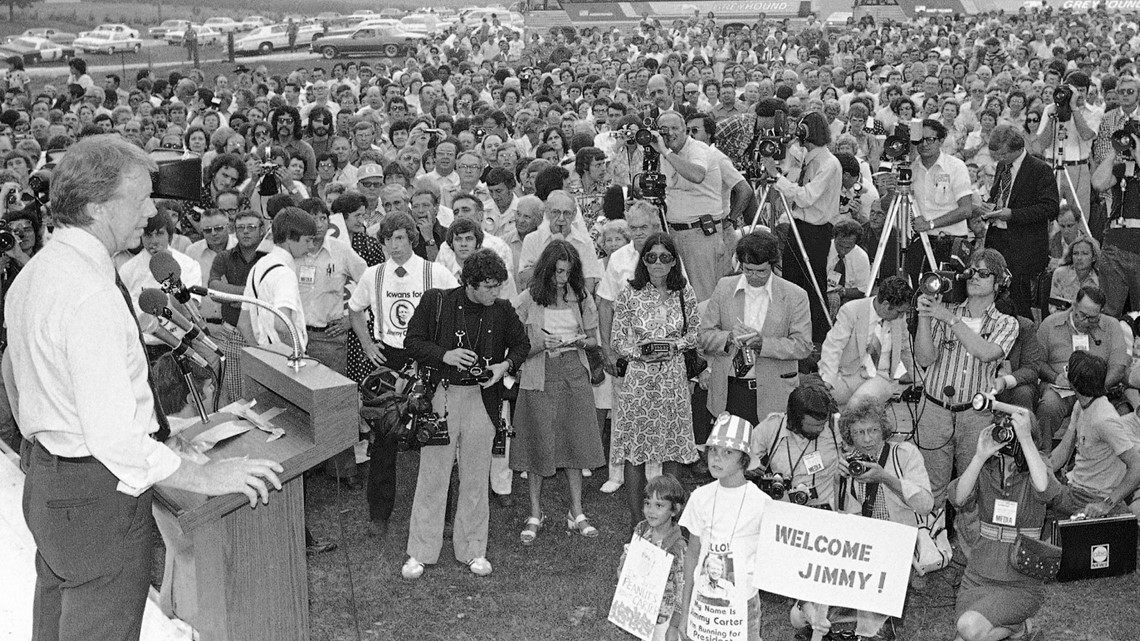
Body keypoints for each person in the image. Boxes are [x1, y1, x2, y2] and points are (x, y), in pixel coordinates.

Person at [6, 134, 282, 641]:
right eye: (140, 199)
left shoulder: (39, 272)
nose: (152, 211)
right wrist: (207, 476)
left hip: (52, 482)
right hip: (97, 496)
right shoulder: (90, 293)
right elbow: (114, 439)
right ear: (96, 207)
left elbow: (23, 380)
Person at [401, 248, 529, 580]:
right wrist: (445, 355)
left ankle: (473, 550)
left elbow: (522, 345)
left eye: (498, 285)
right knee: (433, 476)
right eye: (488, 286)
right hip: (441, 397)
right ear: (469, 283)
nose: (495, 292)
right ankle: (420, 552)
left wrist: (504, 366)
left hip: (482, 400)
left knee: (475, 478)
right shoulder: (437, 301)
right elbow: (411, 342)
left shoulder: (502, 309)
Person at [347, 211, 457, 538]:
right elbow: (354, 309)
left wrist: (442, 348)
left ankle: (442, 516)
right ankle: (379, 514)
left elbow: (459, 306)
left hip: (427, 358)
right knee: (384, 439)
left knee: (434, 438)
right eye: (387, 239)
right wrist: (367, 344)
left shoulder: (434, 271)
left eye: (399, 238)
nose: (393, 246)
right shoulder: (373, 275)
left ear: (411, 239)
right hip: (390, 359)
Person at [793, 400, 933, 641]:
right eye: (859, 433)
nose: (867, 439)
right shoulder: (851, 463)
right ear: (850, 435)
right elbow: (843, 520)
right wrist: (839, 482)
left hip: (897, 545)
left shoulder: (904, 454)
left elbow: (925, 505)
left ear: (883, 429)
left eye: (873, 430)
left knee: (871, 613)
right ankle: (836, 623)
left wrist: (885, 478)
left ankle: (867, 629)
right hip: (862, 548)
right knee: (798, 616)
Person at [914, 248, 1020, 555]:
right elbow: (925, 358)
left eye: (984, 273)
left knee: (971, 489)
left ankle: (973, 556)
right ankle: (929, 551)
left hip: (975, 416)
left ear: (999, 283)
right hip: (934, 408)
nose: (974, 277)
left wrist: (948, 318)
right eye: (971, 271)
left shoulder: (1006, 323)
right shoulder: (943, 310)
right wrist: (925, 316)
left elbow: (986, 353)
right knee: (931, 487)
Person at [511, 240, 605, 544]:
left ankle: (576, 511)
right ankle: (535, 513)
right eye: (557, 271)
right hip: (539, 377)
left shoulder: (581, 297)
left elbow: (593, 340)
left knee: (575, 442)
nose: (562, 278)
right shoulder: (527, 299)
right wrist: (540, 345)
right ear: (546, 270)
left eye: (567, 271)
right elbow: (514, 346)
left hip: (574, 374)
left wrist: (581, 341)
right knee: (537, 442)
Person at [611, 232, 701, 529]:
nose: (658, 263)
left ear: (674, 261)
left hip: (673, 380)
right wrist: (641, 353)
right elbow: (616, 340)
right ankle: (638, 523)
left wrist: (675, 346)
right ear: (644, 261)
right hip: (640, 381)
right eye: (651, 257)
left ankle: (667, 522)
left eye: (665, 257)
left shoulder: (684, 292)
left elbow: (695, 333)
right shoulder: (630, 293)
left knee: (672, 450)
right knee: (635, 453)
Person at [950, 405, 1058, 641]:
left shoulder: (1038, 465)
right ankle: (1018, 630)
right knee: (966, 635)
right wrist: (980, 456)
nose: (1006, 437)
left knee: (968, 629)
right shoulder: (987, 467)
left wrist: (1025, 440)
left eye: (1012, 432)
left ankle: (1017, 627)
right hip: (979, 574)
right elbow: (958, 498)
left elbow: (1045, 489)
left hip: (1020, 579)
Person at [699, 230, 812, 426]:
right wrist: (728, 337)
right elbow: (704, 336)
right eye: (747, 270)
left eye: (761, 271)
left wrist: (763, 344)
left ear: (772, 265)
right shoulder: (724, 287)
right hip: (730, 389)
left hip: (774, 393)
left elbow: (803, 346)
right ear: (740, 264)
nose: (753, 276)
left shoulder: (795, 295)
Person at [596, 200, 668, 494]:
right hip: (624, 345)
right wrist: (607, 349)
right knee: (623, 411)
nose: (638, 233)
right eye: (633, 227)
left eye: (644, 227)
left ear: (656, 226)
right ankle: (617, 472)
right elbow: (605, 304)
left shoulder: (669, 255)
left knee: (655, 410)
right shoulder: (618, 258)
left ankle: (653, 474)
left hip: (659, 346)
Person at [677, 413, 769, 641]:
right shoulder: (700, 497)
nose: (717, 458)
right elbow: (692, 554)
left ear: (743, 460)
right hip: (703, 603)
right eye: (713, 451)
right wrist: (685, 609)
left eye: (728, 452)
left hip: (743, 603)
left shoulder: (761, 503)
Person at [760, 111, 842, 343]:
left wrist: (776, 176)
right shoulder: (808, 157)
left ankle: (818, 337)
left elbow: (806, 197)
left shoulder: (828, 163)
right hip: (798, 226)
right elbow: (791, 168)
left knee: (812, 284)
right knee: (791, 280)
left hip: (816, 231)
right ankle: (792, 331)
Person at [1048, 351, 1140, 519]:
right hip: (1075, 490)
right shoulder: (1080, 405)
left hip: (1096, 498)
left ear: (1073, 382)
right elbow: (1062, 452)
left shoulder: (1104, 419)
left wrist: (1107, 504)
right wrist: (1039, 468)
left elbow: (1137, 466)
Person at [1035, 286, 1130, 444]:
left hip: (1100, 390)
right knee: (1049, 406)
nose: (1085, 321)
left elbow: (1118, 367)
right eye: (1082, 315)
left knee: (1123, 413)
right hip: (1062, 389)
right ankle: (1041, 451)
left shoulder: (1112, 326)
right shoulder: (1050, 324)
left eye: (1092, 318)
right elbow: (1037, 362)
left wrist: (1098, 389)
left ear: (1101, 312)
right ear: (1074, 305)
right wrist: (1054, 377)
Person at [982, 125, 1060, 319]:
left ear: (1018, 149)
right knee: (997, 294)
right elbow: (999, 195)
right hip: (997, 238)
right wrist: (989, 207)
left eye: (1003, 154)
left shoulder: (1039, 169)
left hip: (1024, 246)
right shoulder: (1002, 166)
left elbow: (1050, 208)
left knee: (1019, 299)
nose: (1000, 159)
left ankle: (1025, 332)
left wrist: (1014, 215)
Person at [650, 110, 724, 302]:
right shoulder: (663, 152)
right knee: (678, 294)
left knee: (702, 295)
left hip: (699, 233)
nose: (670, 133)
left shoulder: (697, 149)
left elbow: (697, 175)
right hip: (674, 232)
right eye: (664, 129)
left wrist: (665, 152)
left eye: (675, 128)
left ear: (685, 130)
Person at [820, 276, 915, 407]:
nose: (901, 316)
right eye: (899, 312)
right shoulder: (851, 310)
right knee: (818, 400)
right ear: (886, 305)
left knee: (857, 405)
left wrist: (920, 380)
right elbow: (833, 346)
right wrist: (828, 380)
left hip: (880, 377)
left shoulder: (899, 319)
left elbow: (907, 349)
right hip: (847, 375)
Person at [748, 377, 842, 509]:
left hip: (826, 508)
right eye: (813, 425)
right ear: (795, 420)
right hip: (784, 508)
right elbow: (741, 457)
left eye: (823, 423)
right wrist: (748, 466)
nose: (820, 429)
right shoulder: (772, 427)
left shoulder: (835, 426)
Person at [616, 473, 688, 641]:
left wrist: (674, 625)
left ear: (675, 510)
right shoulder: (642, 529)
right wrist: (624, 564)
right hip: (642, 607)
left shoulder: (677, 547)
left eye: (659, 505)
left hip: (665, 616)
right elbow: (628, 568)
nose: (650, 510)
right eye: (647, 503)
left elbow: (682, 591)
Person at [238, 207, 315, 355]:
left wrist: (262, 355)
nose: (311, 246)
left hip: (266, 356)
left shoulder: (259, 265)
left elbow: (243, 323)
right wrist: (298, 356)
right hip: (286, 359)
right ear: (288, 237)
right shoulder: (285, 274)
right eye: (308, 240)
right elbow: (281, 325)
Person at [208, 210, 265, 403]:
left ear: (262, 230)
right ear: (235, 231)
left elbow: (269, 294)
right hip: (231, 333)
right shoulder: (223, 257)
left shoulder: (269, 258)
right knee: (234, 395)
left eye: (251, 227)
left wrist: (234, 296)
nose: (246, 232)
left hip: (262, 334)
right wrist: (251, 293)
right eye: (241, 228)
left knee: (262, 394)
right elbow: (214, 290)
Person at [908, 118, 975, 282]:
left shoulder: (955, 167)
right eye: (920, 140)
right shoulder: (910, 169)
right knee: (919, 290)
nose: (924, 144)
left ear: (941, 140)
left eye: (930, 139)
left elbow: (966, 209)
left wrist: (930, 224)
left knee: (949, 291)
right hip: (920, 242)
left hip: (950, 241)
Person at [1090, 124, 1140, 318]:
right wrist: (1114, 150)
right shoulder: (1123, 169)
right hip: (1115, 244)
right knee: (1108, 312)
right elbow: (1098, 183)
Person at [1048, 235, 1100, 314]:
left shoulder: (1099, 279)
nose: (1079, 258)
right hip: (1062, 318)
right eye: (1075, 253)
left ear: (1094, 257)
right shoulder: (1060, 273)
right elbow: (1052, 306)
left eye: (1085, 254)